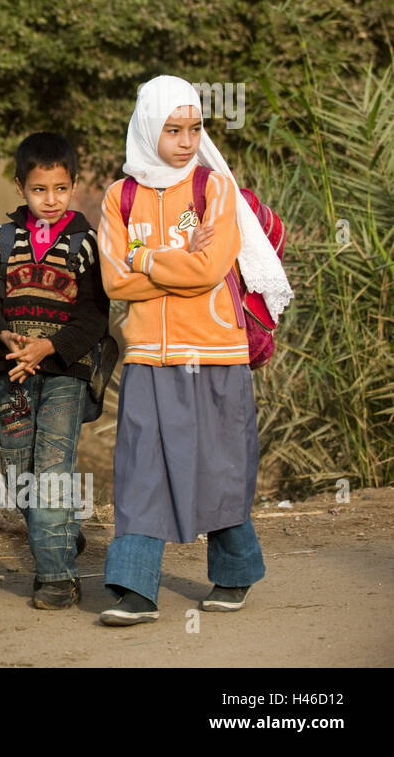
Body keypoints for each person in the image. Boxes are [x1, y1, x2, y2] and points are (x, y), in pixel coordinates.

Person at [96, 75, 293, 625]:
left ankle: (233, 575)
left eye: (195, 129)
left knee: (222, 467)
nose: (186, 140)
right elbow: (114, 282)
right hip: (147, 360)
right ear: (146, 128)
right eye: (172, 129)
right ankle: (135, 587)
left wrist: (146, 256)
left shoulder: (216, 189)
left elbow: (209, 270)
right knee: (141, 468)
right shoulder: (120, 197)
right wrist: (176, 255)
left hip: (215, 353)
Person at [0, 133, 110, 609]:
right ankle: (62, 533)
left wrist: (49, 346)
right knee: (18, 472)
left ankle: (56, 577)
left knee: (51, 470)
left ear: (73, 185)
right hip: (12, 373)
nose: (49, 200)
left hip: (66, 375)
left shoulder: (87, 245)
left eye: (59, 189)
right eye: (38, 190)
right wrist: (7, 340)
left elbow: (94, 315)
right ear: (20, 187)